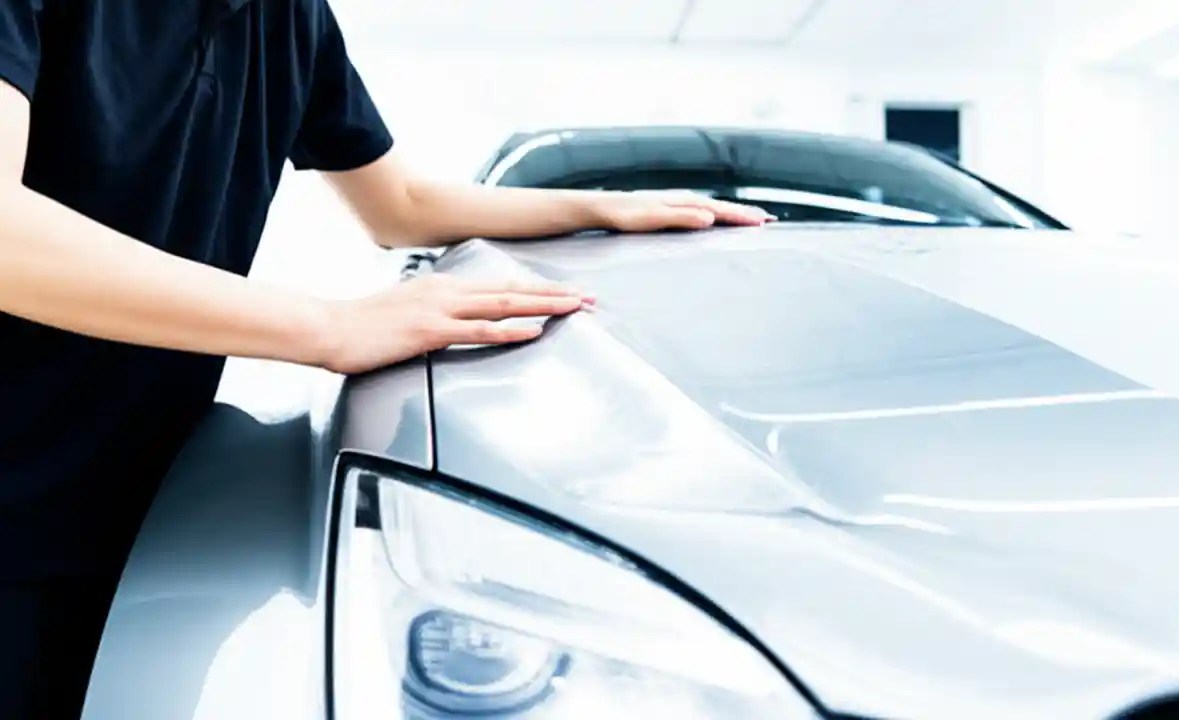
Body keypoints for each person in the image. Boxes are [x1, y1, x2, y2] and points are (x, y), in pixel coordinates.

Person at [0, 1, 771, 716]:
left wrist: (595, 207)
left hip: (140, 504)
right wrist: (331, 329)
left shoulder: (288, 13)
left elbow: (397, 205)